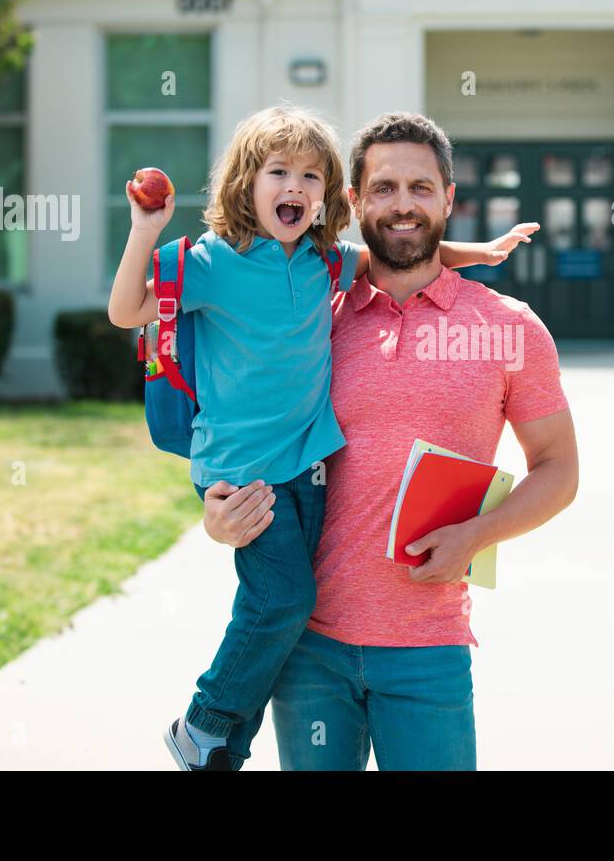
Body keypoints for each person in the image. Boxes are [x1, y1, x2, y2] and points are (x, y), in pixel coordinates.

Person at [107, 105, 532, 770]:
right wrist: (144, 229)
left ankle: (223, 743)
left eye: (310, 175)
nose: (294, 188)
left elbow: (399, 252)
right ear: (246, 182)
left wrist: (476, 253)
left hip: (305, 468)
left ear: (329, 196)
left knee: (278, 606)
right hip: (244, 471)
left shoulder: (324, 264)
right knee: (284, 599)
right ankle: (204, 722)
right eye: (278, 172)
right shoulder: (214, 261)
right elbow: (127, 309)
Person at [202, 111, 579, 770]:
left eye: (420, 188)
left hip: (428, 648)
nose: (402, 205)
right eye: (383, 188)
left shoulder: (507, 328)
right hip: (308, 651)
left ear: (449, 198)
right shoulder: (308, 315)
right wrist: (220, 515)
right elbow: (239, 424)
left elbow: (558, 470)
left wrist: (474, 535)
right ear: (352, 201)